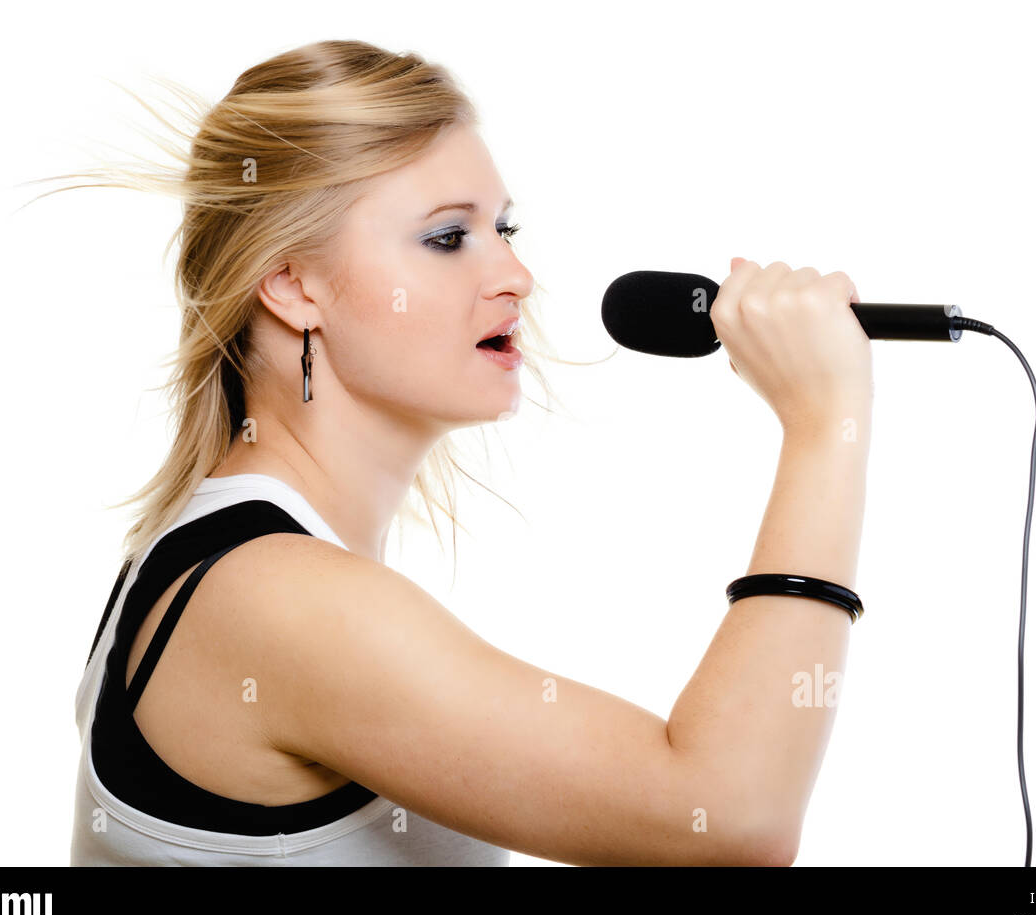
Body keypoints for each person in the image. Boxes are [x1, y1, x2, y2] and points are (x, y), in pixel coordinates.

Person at [64, 39, 873, 866]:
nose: (517, 275)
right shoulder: (276, 596)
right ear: (293, 286)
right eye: (449, 239)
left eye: (505, 228)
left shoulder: (239, 559)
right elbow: (728, 816)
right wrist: (823, 420)